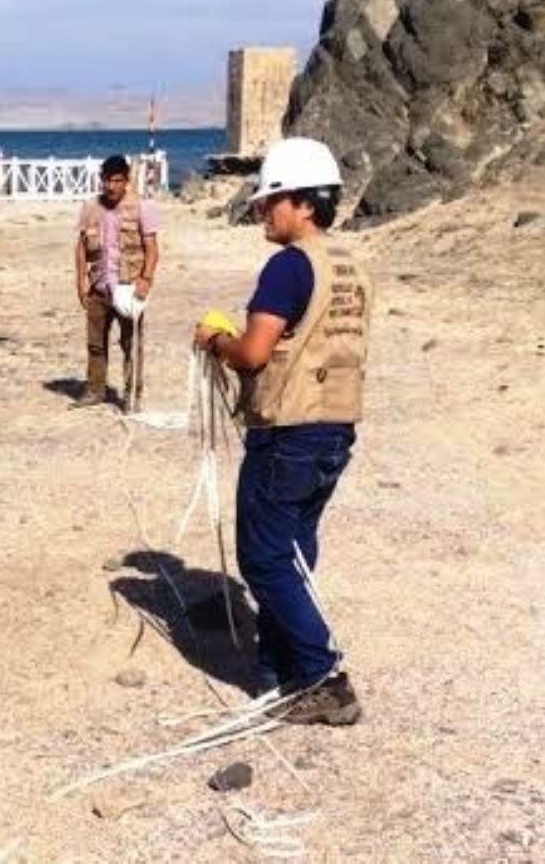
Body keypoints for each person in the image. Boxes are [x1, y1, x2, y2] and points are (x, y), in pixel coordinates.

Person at [192, 137, 371, 726]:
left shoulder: (288, 267)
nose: (263, 211)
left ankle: (324, 674)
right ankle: (282, 667)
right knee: (294, 551)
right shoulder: (351, 266)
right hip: (335, 427)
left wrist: (215, 340)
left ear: (303, 203)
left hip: (289, 429)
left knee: (265, 559)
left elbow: (253, 353)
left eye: (272, 201)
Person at [74, 154, 160, 408]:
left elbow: (152, 249)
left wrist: (146, 279)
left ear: (126, 180)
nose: (111, 186)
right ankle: (95, 390)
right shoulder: (90, 208)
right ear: (101, 179)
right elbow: (80, 248)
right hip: (99, 286)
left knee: (131, 344)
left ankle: (133, 395)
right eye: (107, 180)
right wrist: (80, 281)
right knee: (95, 343)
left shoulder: (143, 207)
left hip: (129, 287)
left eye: (117, 181)